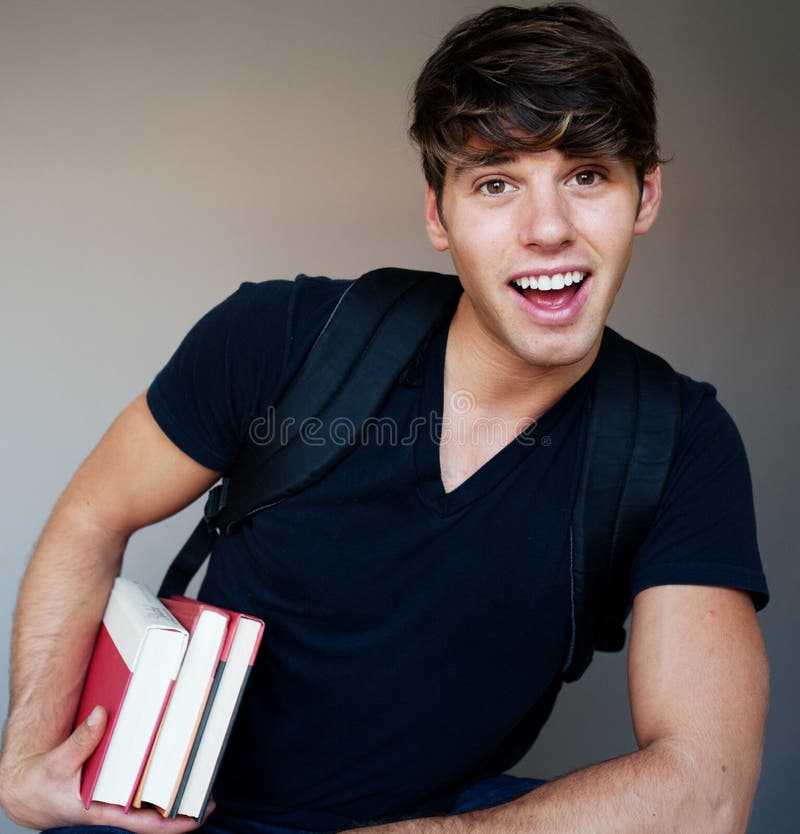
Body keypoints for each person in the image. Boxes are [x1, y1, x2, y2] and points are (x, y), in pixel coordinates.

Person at [0, 4, 769, 834]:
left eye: (587, 175)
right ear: (438, 216)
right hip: (167, 816)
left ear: (645, 194)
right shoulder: (280, 338)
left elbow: (705, 789)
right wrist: (25, 761)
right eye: (496, 183)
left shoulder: (678, 441)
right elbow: (92, 515)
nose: (548, 229)